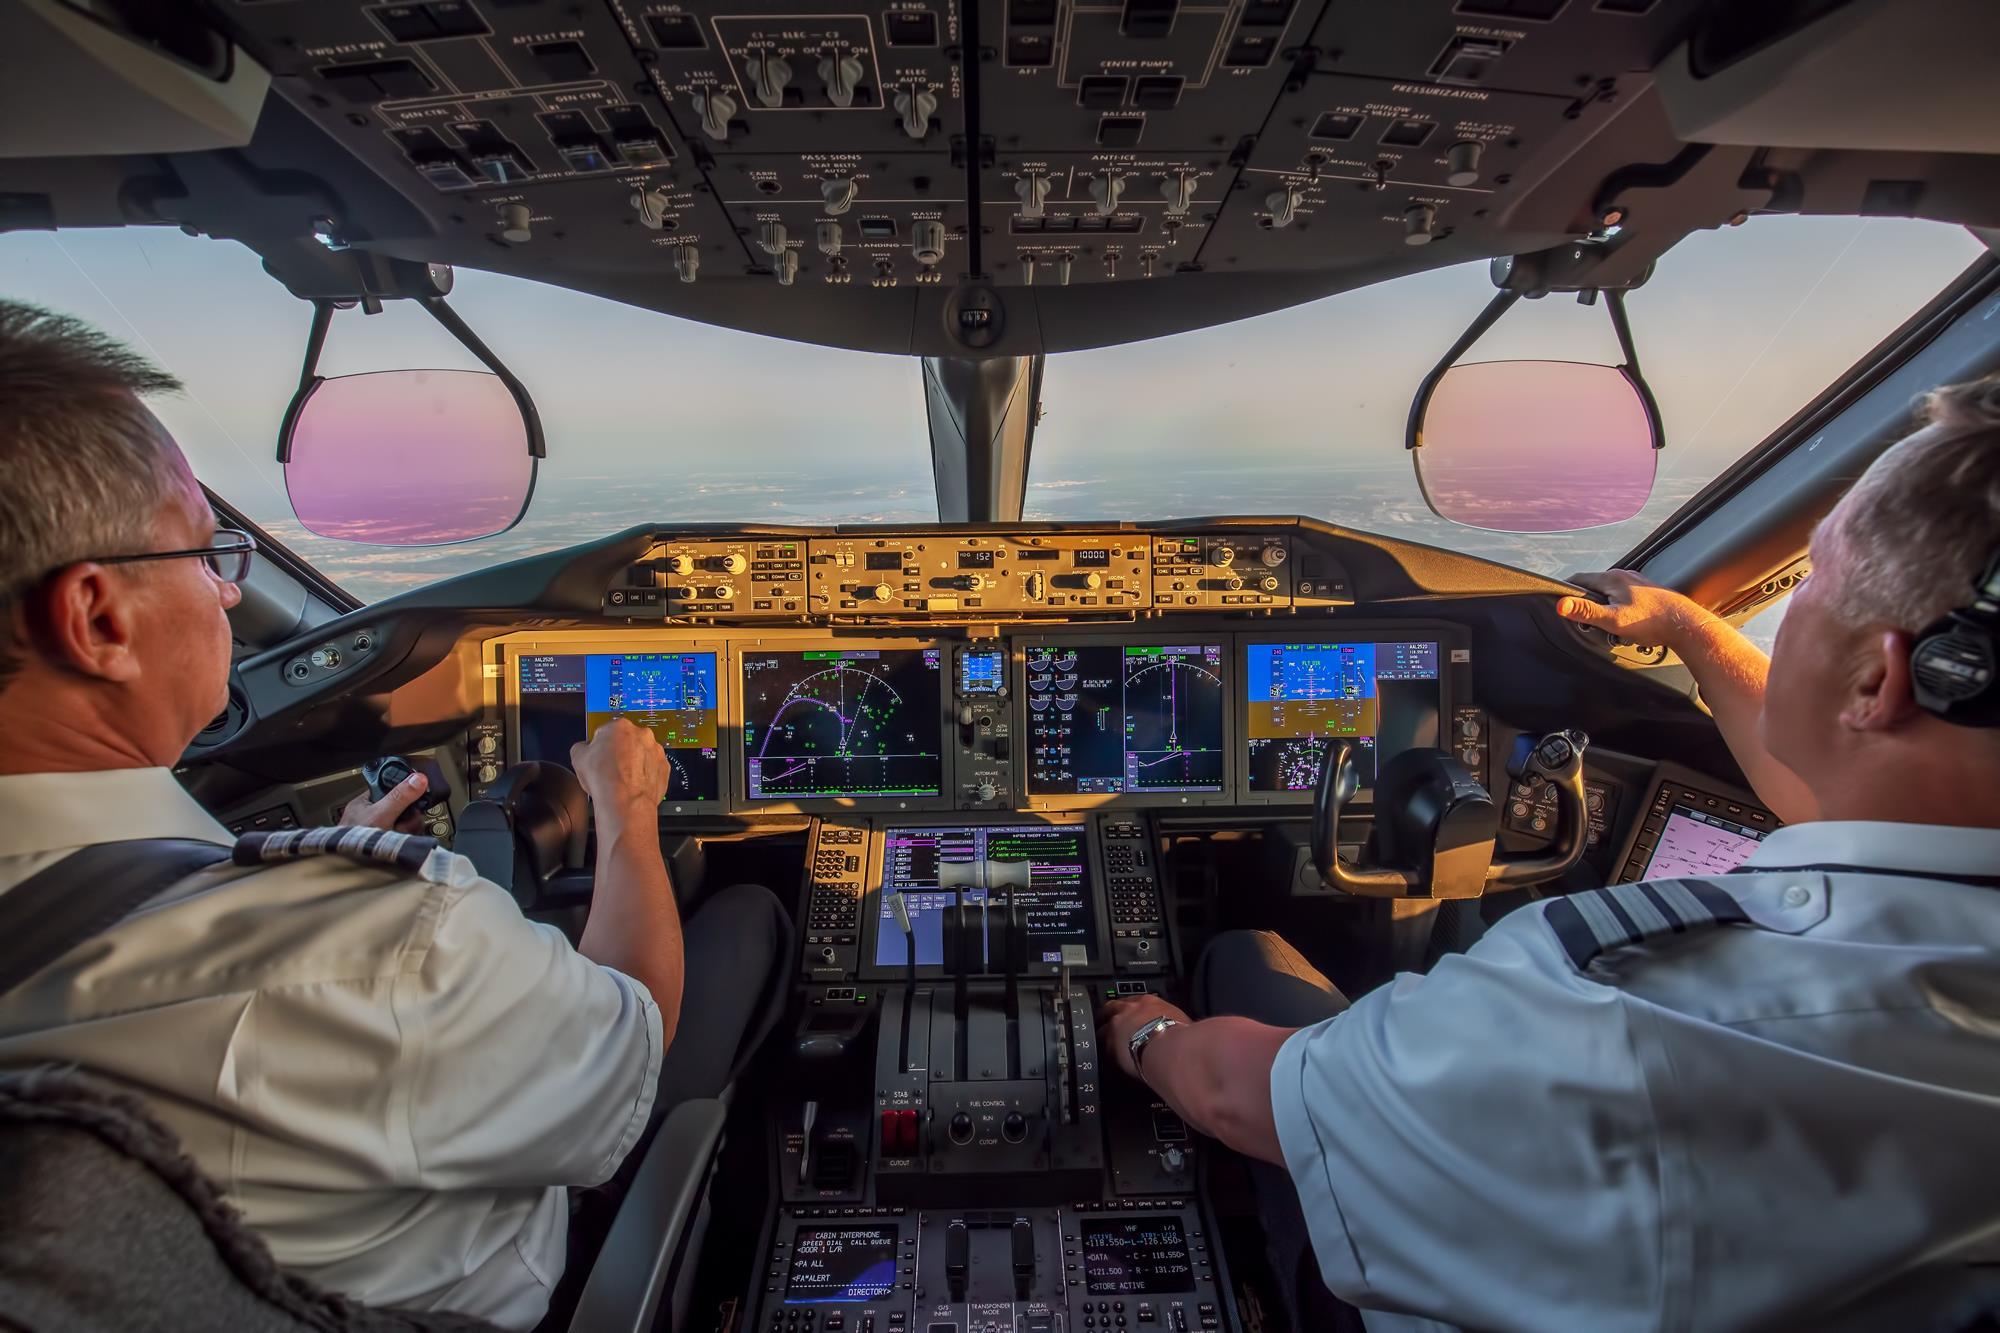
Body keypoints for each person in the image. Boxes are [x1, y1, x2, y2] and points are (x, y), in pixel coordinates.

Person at [1101, 376, 2000, 1331]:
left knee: (1245, 954)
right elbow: (1828, 784)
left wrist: (1143, 1031)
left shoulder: (1602, 1001)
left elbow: (1242, 1099)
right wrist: (1691, 627)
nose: (1795, 609)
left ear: (1880, 678)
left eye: (1814, 579)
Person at [0, 301, 788, 1330]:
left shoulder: (340, 930)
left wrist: (286, 864)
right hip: (508, 1297)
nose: (231, 595)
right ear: (98, 616)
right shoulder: (383, 947)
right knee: (746, 922)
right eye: (205, 555)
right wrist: (627, 811)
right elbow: (631, 1038)